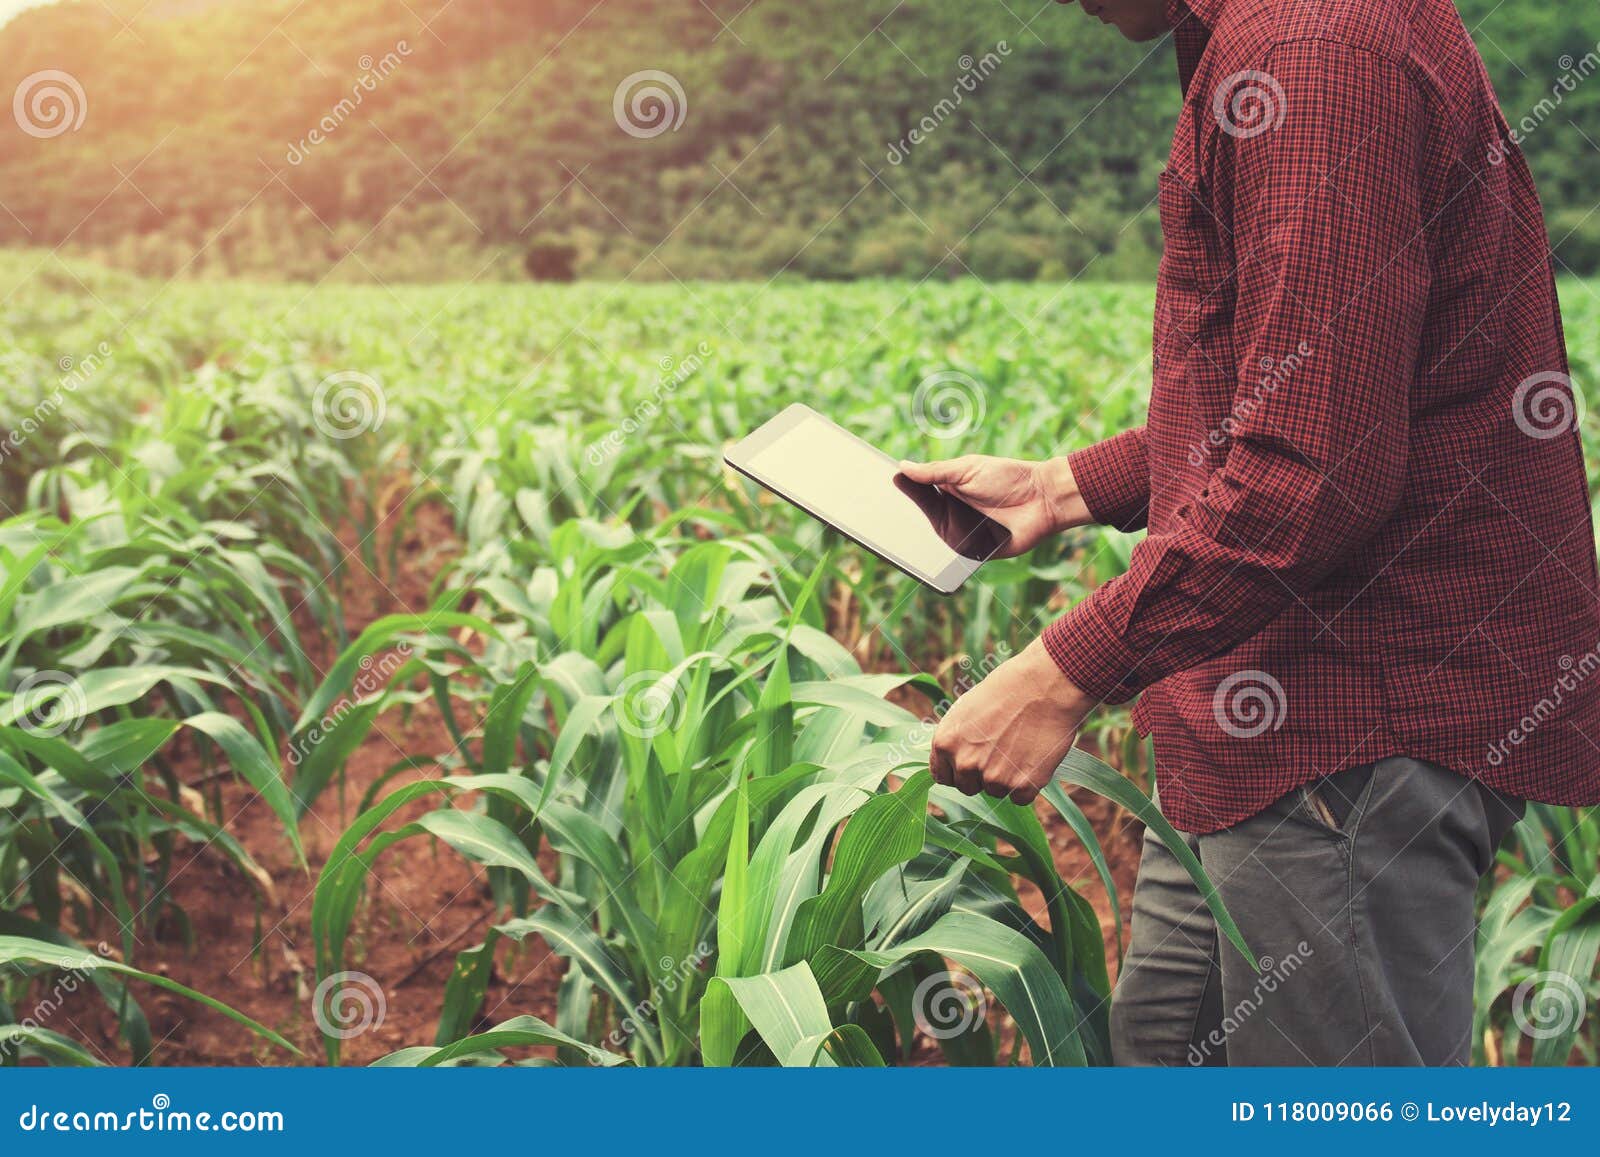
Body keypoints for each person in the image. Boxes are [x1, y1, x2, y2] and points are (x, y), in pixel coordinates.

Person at [901, 0, 1600, 1065]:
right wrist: (1058, 488)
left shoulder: (1312, 52)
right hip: (1258, 720)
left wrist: (1058, 670)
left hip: (1347, 731)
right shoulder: (1289, 34)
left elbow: (1307, 478)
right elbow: (1308, 398)